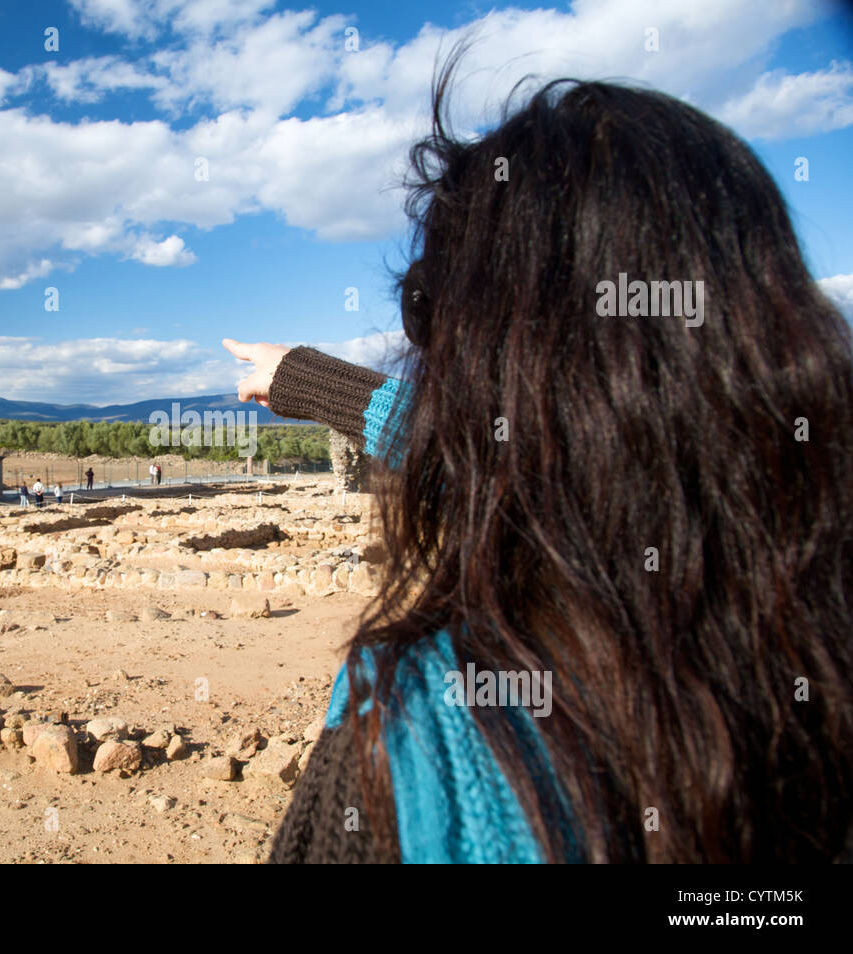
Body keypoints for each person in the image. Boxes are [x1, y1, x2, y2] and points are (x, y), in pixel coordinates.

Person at [227, 64, 853, 864]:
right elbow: (546, 443)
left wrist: (312, 381)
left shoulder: (425, 737)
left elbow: (505, 449)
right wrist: (308, 379)